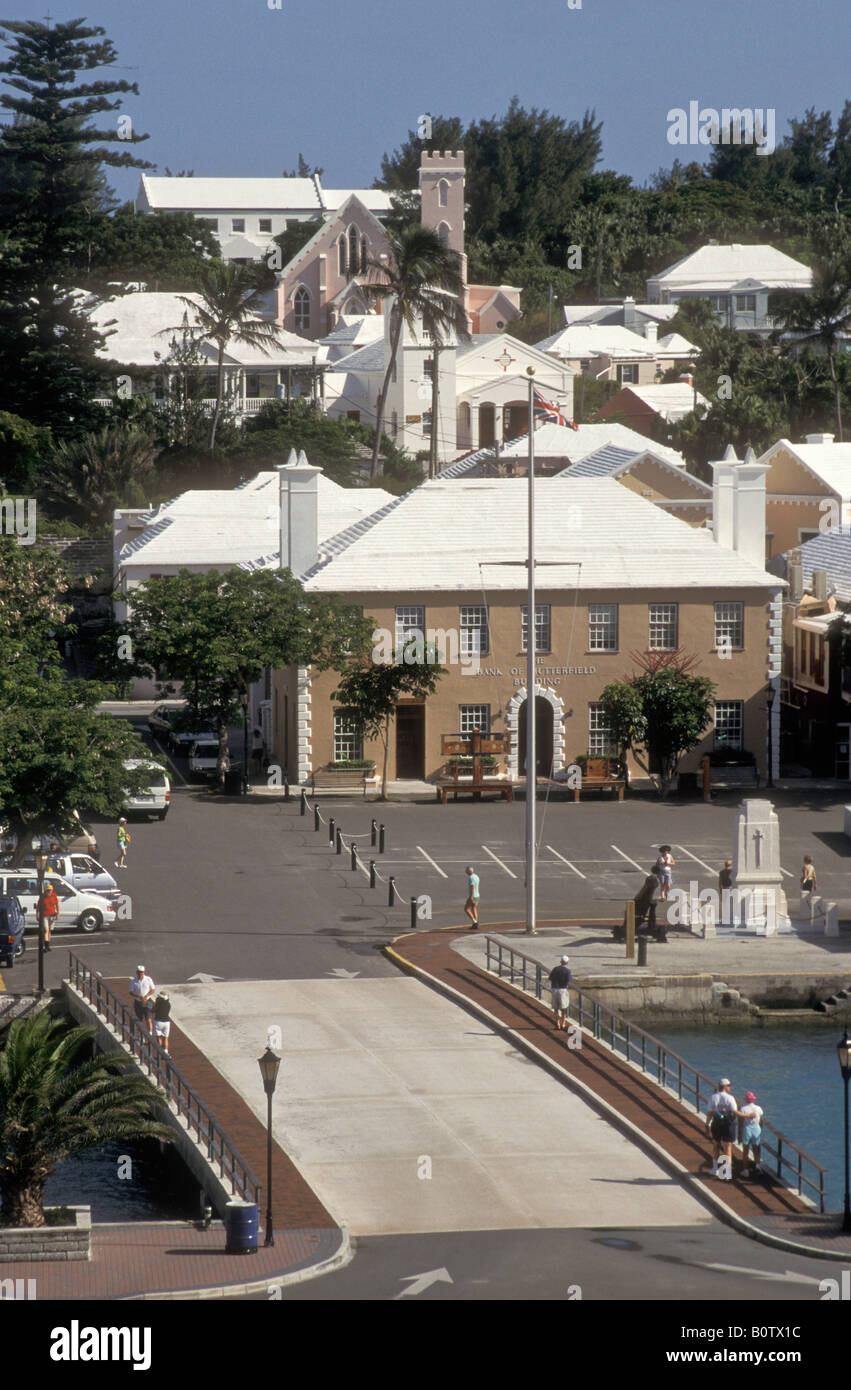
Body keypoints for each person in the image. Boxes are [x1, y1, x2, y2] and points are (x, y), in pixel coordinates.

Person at [706, 1077, 738, 1178]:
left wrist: (707, 1124)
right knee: (728, 1147)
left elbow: (710, 1113)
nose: (730, 1087)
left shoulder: (713, 1097)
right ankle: (726, 1172)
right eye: (729, 1085)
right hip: (728, 1124)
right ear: (725, 1087)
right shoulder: (730, 1098)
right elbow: (734, 1112)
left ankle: (715, 1168)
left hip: (716, 1123)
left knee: (716, 1145)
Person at [737, 1091, 763, 1176]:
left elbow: (740, 1122)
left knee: (746, 1150)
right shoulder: (758, 1108)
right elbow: (761, 1121)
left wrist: (739, 1134)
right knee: (756, 1148)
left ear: (746, 1100)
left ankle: (745, 1170)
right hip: (756, 1128)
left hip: (747, 1128)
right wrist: (760, 1129)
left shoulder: (743, 1109)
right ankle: (758, 1166)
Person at [129, 965, 156, 1036]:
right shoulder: (133, 981)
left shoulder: (148, 979)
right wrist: (139, 996)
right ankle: (140, 1035)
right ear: (137, 972)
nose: (141, 974)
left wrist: (146, 996)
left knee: (148, 1018)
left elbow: (153, 989)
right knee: (139, 1019)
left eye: (142, 972)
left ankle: (150, 1034)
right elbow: (131, 991)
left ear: (144, 972)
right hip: (138, 1002)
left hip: (147, 1001)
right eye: (139, 972)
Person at [548, 955, 572, 1031]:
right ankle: (563, 1023)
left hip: (555, 989)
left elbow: (550, 978)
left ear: (560, 961)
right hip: (563, 990)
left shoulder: (555, 969)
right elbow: (568, 981)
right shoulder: (567, 971)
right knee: (563, 1008)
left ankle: (557, 1023)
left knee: (556, 1008)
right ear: (567, 963)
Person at [37, 879, 60, 951]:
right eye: (47, 890)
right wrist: (37, 914)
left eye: (50, 890)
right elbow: (38, 907)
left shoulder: (54, 896)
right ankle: (46, 946)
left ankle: (48, 945)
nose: (49, 892)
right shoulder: (42, 897)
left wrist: (58, 913)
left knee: (49, 930)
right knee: (46, 930)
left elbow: (57, 905)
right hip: (45, 915)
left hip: (52, 915)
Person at [718, 859, 734, 926]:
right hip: (732, 889)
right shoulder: (733, 872)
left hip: (724, 889)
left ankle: (725, 920)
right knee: (733, 905)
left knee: (725, 906)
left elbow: (719, 882)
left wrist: (720, 889)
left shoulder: (722, 872)